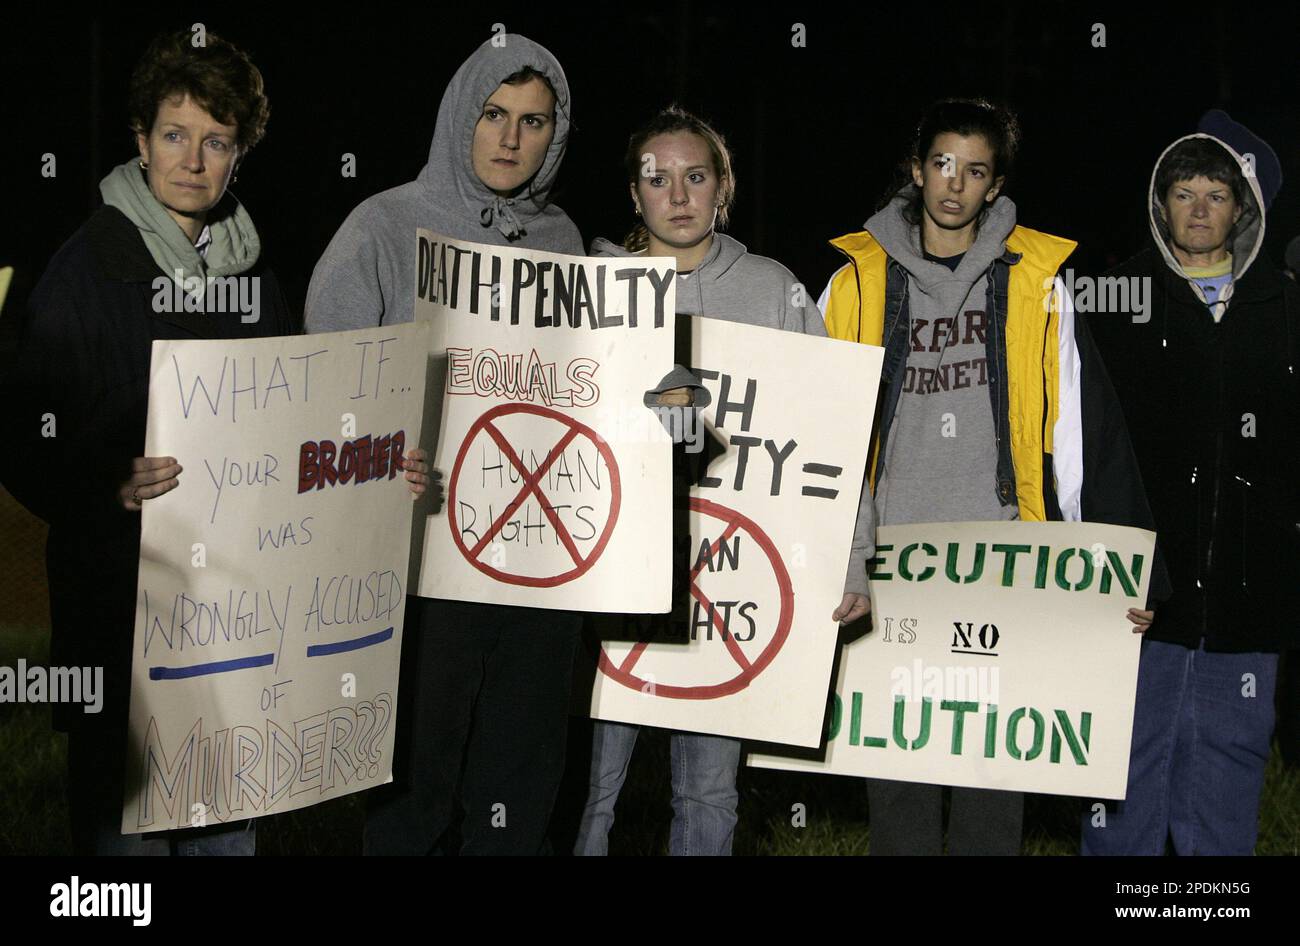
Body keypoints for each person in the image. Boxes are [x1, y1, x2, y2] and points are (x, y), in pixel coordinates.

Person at [818, 98, 1163, 855]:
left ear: (994, 185)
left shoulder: (1039, 286)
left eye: (975, 171)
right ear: (917, 169)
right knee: (899, 791)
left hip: (1000, 562)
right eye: (942, 164)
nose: (954, 184)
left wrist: (1119, 569)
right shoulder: (853, 282)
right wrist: (830, 559)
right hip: (892, 563)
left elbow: (1078, 435)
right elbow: (818, 430)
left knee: (990, 792)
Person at [4, 30, 301, 854]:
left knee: (224, 833)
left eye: (217, 141)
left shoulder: (257, 272)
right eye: (175, 135)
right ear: (141, 141)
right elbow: (23, 432)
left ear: (241, 153)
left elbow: (290, 414)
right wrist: (102, 482)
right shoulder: (85, 269)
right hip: (120, 614)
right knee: (121, 853)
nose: (193, 160)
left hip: (230, 616)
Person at [305, 34, 584, 855]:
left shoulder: (565, 238)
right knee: (415, 789)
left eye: (534, 122)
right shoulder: (385, 224)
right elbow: (327, 383)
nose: (510, 138)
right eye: (493, 115)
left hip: (536, 561)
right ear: (460, 116)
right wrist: (379, 451)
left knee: (521, 782)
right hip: (423, 559)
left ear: (555, 135)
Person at [573, 105, 872, 856]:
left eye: (695, 176)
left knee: (708, 790)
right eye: (658, 177)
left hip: (731, 579)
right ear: (634, 194)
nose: (678, 194)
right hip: (614, 578)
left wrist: (851, 556)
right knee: (590, 789)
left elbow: (831, 431)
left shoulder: (776, 290)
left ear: (723, 188)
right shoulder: (591, 285)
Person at [1082, 133, 1300, 854]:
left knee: (1227, 783)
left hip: (1248, 599)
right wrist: (1108, 563)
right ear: (1160, 203)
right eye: (1183, 194)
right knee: (1121, 774)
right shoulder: (1118, 307)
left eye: (1216, 194)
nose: (1199, 209)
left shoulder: (1282, 307)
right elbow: (1084, 448)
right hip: (1142, 597)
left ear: (1242, 209)